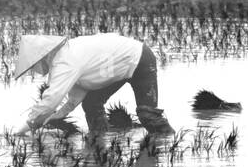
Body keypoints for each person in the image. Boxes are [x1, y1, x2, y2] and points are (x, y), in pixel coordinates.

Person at [10, 33, 167, 135]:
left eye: (34, 65)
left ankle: (167, 141)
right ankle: (99, 140)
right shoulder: (66, 58)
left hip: (139, 59)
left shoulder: (65, 61)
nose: (36, 69)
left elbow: (52, 99)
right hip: (118, 65)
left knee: (148, 115)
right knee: (92, 103)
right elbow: (76, 96)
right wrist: (57, 115)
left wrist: (25, 127)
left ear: (42, 57)